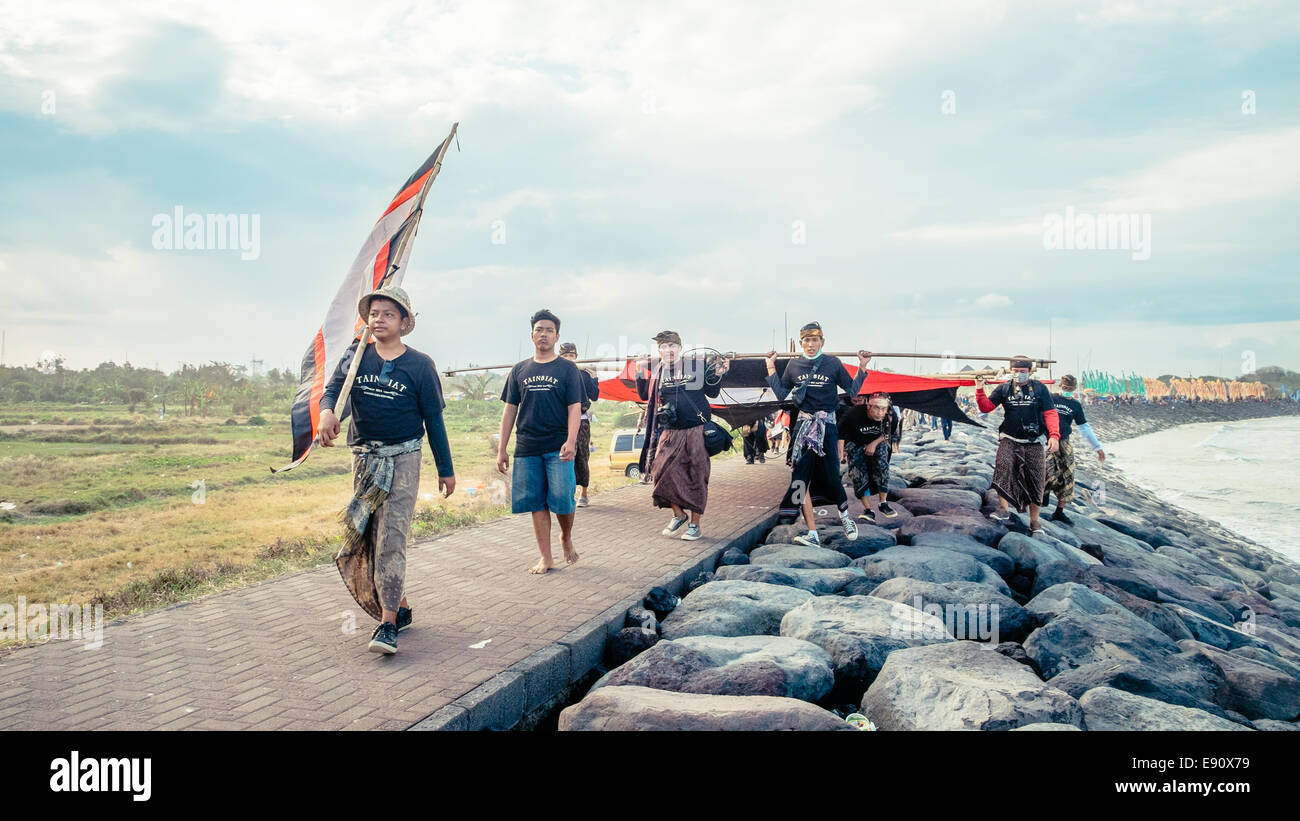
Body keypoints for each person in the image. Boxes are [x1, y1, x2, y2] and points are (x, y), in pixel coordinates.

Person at [318, 286, 456, 655]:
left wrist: (446, 469)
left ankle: (387, 624)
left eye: (388, 314)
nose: (379, 320)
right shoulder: (357, 355)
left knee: (391, 538)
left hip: (404, 459)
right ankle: (402, 606)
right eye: (374, 313)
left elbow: (434, 420)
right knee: (368, 534)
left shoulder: (420, 365)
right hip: (363, 458)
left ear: (403, 322)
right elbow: (335, 392)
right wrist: (327, 413)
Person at [765, 322, 871, 547]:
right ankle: (811, 532)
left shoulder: (832, 363)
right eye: (806, 341)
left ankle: (845, 517)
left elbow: (852, 391)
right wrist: (770, 368)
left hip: (827, 427)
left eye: (815, 340)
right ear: (801, 342)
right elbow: (782, 393)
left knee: (832, 476)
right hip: (803, 428)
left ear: (822, 342)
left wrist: (862, 367)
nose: (810, 345)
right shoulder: (794, 365)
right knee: (799, 480)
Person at [498, 309, 585, 574]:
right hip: (527, 447)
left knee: (563, 499)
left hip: (558, 446)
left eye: (548, 330)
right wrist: (502, 448)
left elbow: (574, 407)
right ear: (532, 335)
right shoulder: (520, 370)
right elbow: (510, 409)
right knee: (536, 502)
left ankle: (566, 536)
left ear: (557, 336)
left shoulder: (567, 369)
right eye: (539, 329)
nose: (543, 334)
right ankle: (546, 557)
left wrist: (571, 441)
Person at [636, 331, 731, 541]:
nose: (668, 350)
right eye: (663, 346)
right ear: (659, 350)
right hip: (670, 431)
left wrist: (718, 372)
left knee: (696, 476)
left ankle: (695, 525)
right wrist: (639, 371)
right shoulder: (656, 370)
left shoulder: (695, 365)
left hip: (697, 428)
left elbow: (713, 392)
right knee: (660, 471)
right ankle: (678, 514)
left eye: (672, 346)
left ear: (680, 347)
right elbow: (644, 395)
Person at [974, 355, 1059, 535]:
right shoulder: (1004, 389)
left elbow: (1050, 413)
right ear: (1010, 371)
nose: (1019, 374)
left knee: (1037, 478)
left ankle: (1035, 521)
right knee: (1003, 466)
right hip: (1009, 437)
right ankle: (1003, 509)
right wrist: (980, 390)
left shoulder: (1040, 389)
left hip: (1034, 440)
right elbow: (986, 407)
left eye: (1022, 371)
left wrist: (1054, 436)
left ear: (1029, 372)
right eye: (1016, 371)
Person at [1044, 374, 1105, 524]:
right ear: (1060, 386)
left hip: (1064, 442)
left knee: (1068, 474)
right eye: (1065, 388)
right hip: (1046, 440)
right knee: (1047, 471)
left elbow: (1084, 427)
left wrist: (1097, 447)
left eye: (1070, 389)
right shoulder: (1050, 398)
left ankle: (1059, 511)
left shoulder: (1076, 405)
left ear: (1075, 389)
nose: (1067, 391)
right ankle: (1040, 500)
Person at [839, 392, 902, 523]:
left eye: (883, 409)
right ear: (868, 406)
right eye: (876, 408)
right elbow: (840, 435)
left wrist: (873, 444)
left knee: (882, 467)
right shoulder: (853, 414)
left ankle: (883, 503)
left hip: (878, 440)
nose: (880, 413)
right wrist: (840, 454)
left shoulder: (891, 416)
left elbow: (888, 434)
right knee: (857, 474)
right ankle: (868, 510)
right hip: (855, 441)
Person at [558, 342, 601, 507]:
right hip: (562, 421)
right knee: (564, 457)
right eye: (565, 356)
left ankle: (584, 494)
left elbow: (594, 396)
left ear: (576, 357)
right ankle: (567, 494)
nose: (569, 359)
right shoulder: (557, 374)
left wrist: (594, 377)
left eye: (571, 356)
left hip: (581, 421)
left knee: (582, 456)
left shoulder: (584, 374)